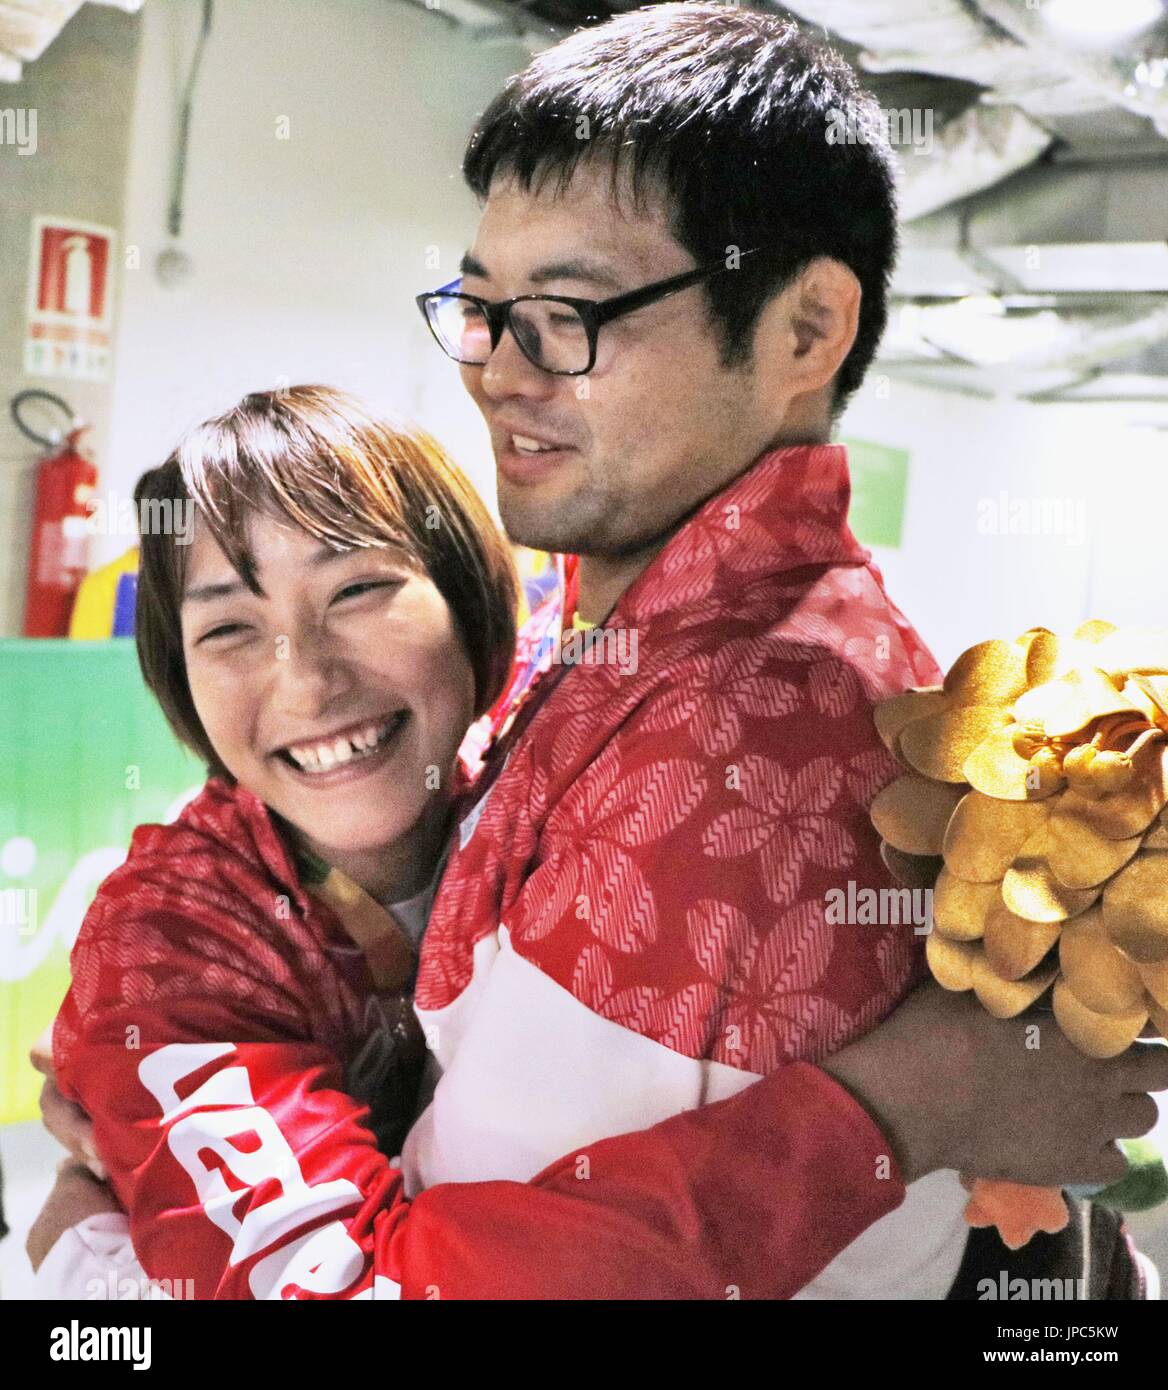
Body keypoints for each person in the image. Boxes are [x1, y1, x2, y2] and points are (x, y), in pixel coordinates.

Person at [32, 6, 1166, 1299]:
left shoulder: (732, 739)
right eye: (480, 306)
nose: (498, 371)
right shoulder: (605, 674)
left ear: (805, 330)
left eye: (570, 311)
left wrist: (82, 1229)